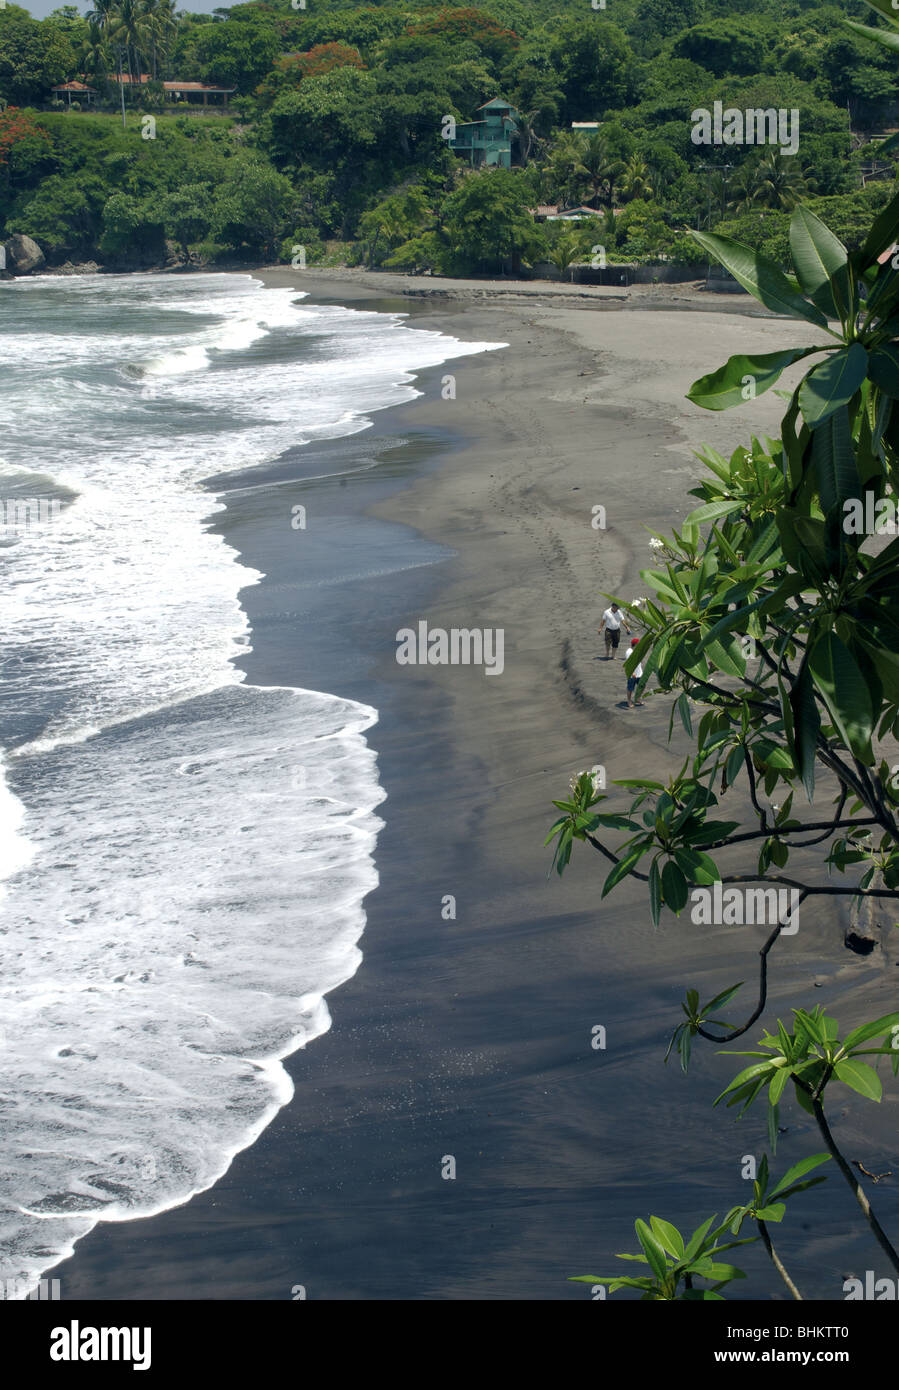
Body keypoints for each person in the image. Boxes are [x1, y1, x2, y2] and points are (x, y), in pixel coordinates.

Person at [626, 636, 644, 707]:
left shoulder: (638, 651)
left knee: (642, 686)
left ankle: (638, 698)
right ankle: (629, 701)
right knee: (630, 688)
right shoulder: (629, 652)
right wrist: (632, 672)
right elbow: (628, 663)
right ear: (635, 644)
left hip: (639, 673)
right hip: (632, 674)